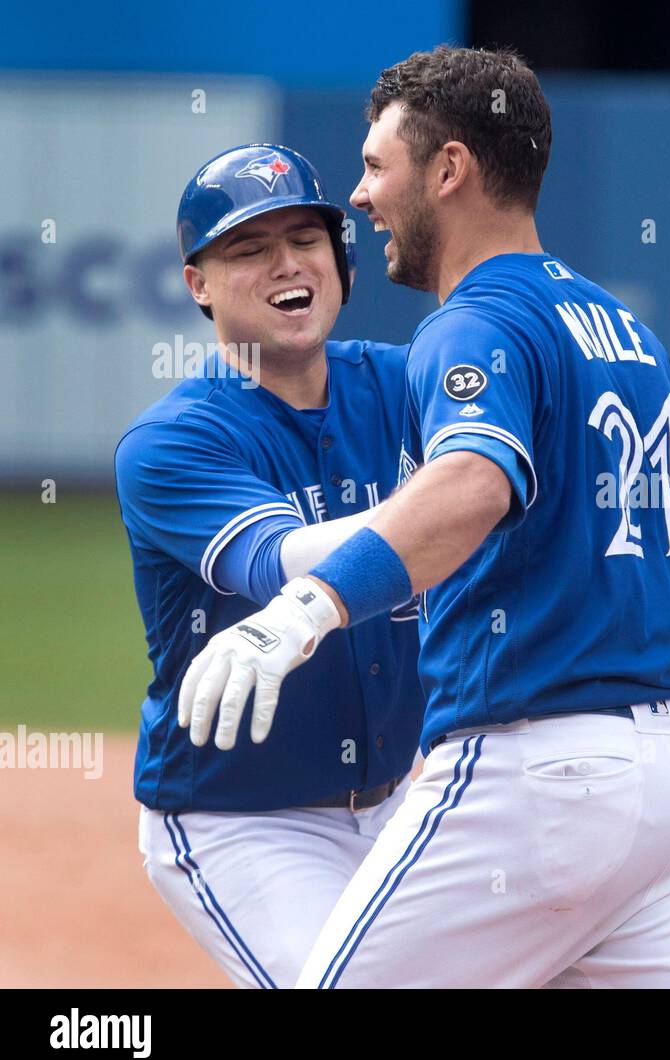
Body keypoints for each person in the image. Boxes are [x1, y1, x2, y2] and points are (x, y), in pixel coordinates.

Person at [177, 46, 670, 989]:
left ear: (448, 170)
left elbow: (474, 483)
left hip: (538, 780)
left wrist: (305, 610)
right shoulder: (627, 331)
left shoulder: (473, 322)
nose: (359, 201)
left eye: (375, 166)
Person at [115, 144, 423, 988]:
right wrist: (464, 498)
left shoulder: (406, 384)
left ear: (340, 259)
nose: (287, 264)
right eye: (248, 249)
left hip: (405, 802)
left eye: (307, 239)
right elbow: (289, 563)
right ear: (198, 284)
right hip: (239, 818)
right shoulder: (172, 442)